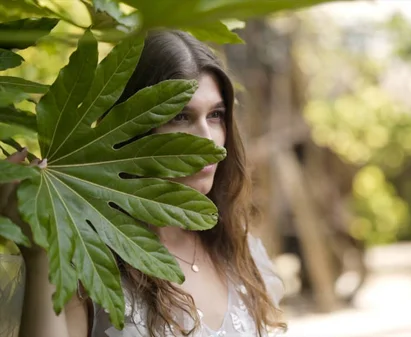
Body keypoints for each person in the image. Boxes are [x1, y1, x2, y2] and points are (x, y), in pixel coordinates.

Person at [1, 30, 286, 337]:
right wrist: (39, 253)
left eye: (216, 115)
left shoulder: (238, 247)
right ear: (132, 129)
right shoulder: (88, 256)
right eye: (180, 116)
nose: (207, 138)